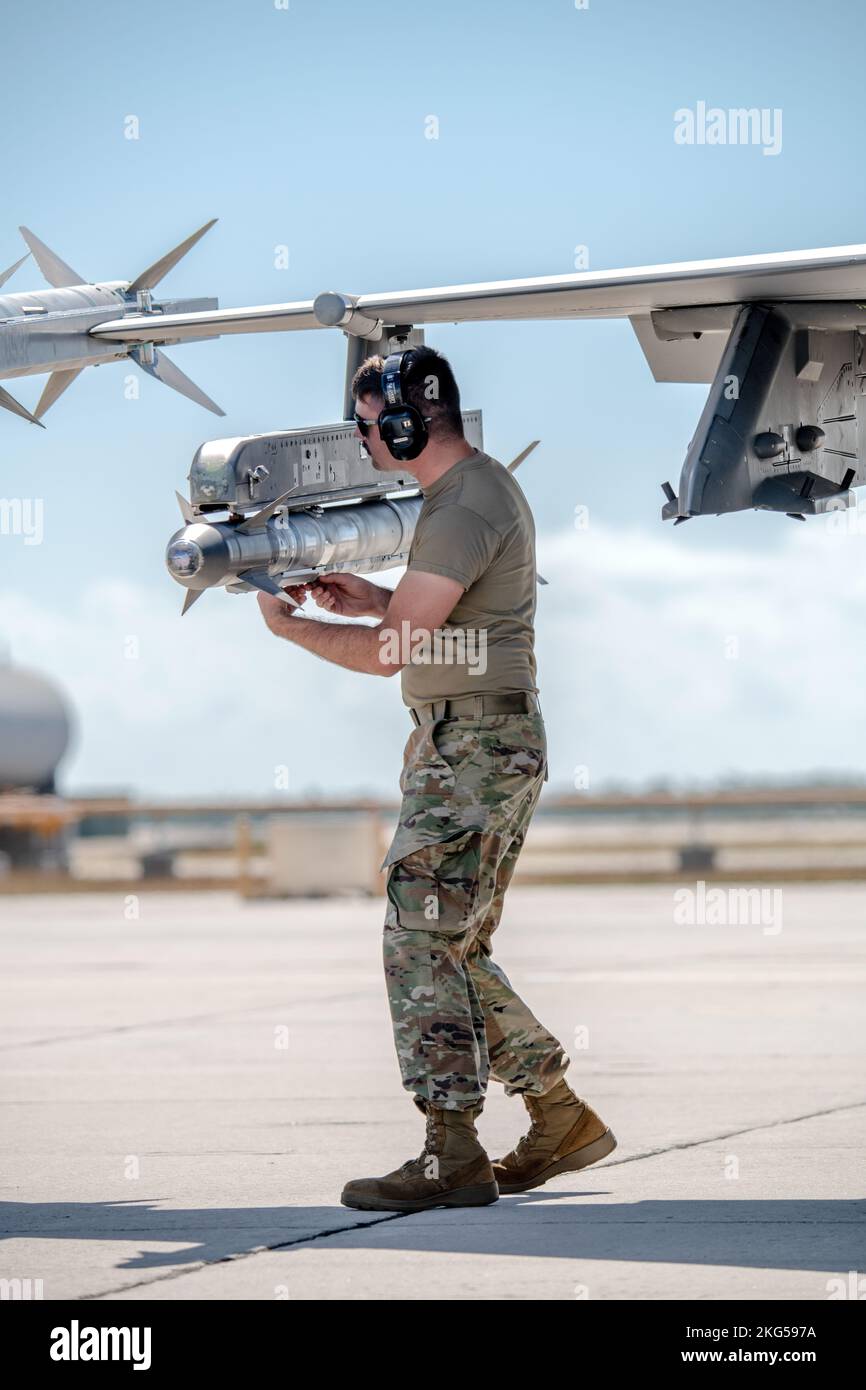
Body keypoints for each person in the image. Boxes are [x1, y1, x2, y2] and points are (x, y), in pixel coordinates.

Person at [257, 345, 616, 1212]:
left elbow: (393, 659)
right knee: (453, 946)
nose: (362, 439)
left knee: (419, 942)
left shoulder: (461, 507)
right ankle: (557, 1115)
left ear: (409, 421)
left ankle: (452, 1153)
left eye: (368, 423)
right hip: (478, 742)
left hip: (475, 750)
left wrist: (291, 628)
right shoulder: (469, 497)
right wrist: (376, 598)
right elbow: (459, 633)